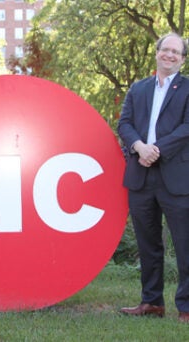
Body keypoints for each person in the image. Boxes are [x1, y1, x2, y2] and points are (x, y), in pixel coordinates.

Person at [118, 32, 189, 323]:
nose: (170, 55)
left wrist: (157, 149)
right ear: (157, 53)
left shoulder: (187, 89)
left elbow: (187, 128)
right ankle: (152, 302)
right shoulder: (138, 89)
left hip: (176, 176)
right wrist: (138, 147)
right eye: (166, 50)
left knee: (185, 244)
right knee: (148, 244)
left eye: (177, 52)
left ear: (182, 60)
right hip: (141, 176)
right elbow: (124, 123)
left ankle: (185, 306)